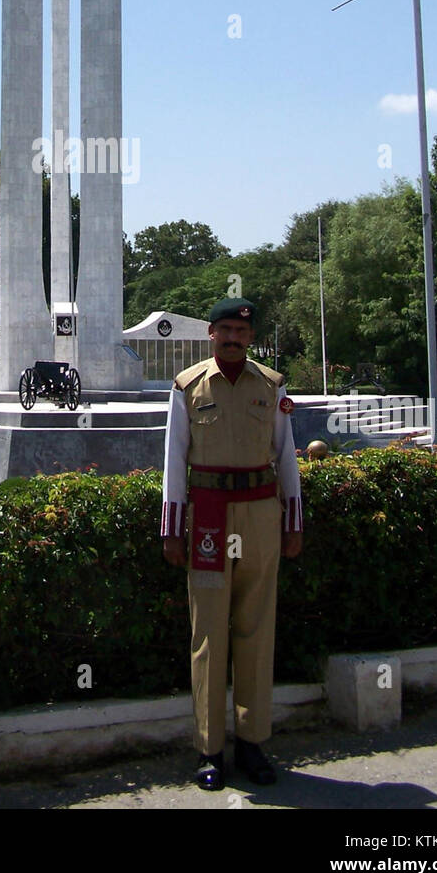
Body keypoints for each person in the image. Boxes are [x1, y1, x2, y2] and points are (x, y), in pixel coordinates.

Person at [161, 297, 303, 790]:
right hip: (208, 519)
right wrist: (171, 529)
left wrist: (294, 522)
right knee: (208, 636)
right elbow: (173, 463)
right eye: (224, 330)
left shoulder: (273, 386)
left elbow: (287, 457)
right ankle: (209, 749)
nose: (232, 338)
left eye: (240, 332)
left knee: (256, 629)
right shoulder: (188, 387)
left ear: (250, 335)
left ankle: (252, 743)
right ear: (210, 332)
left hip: (261, 515)